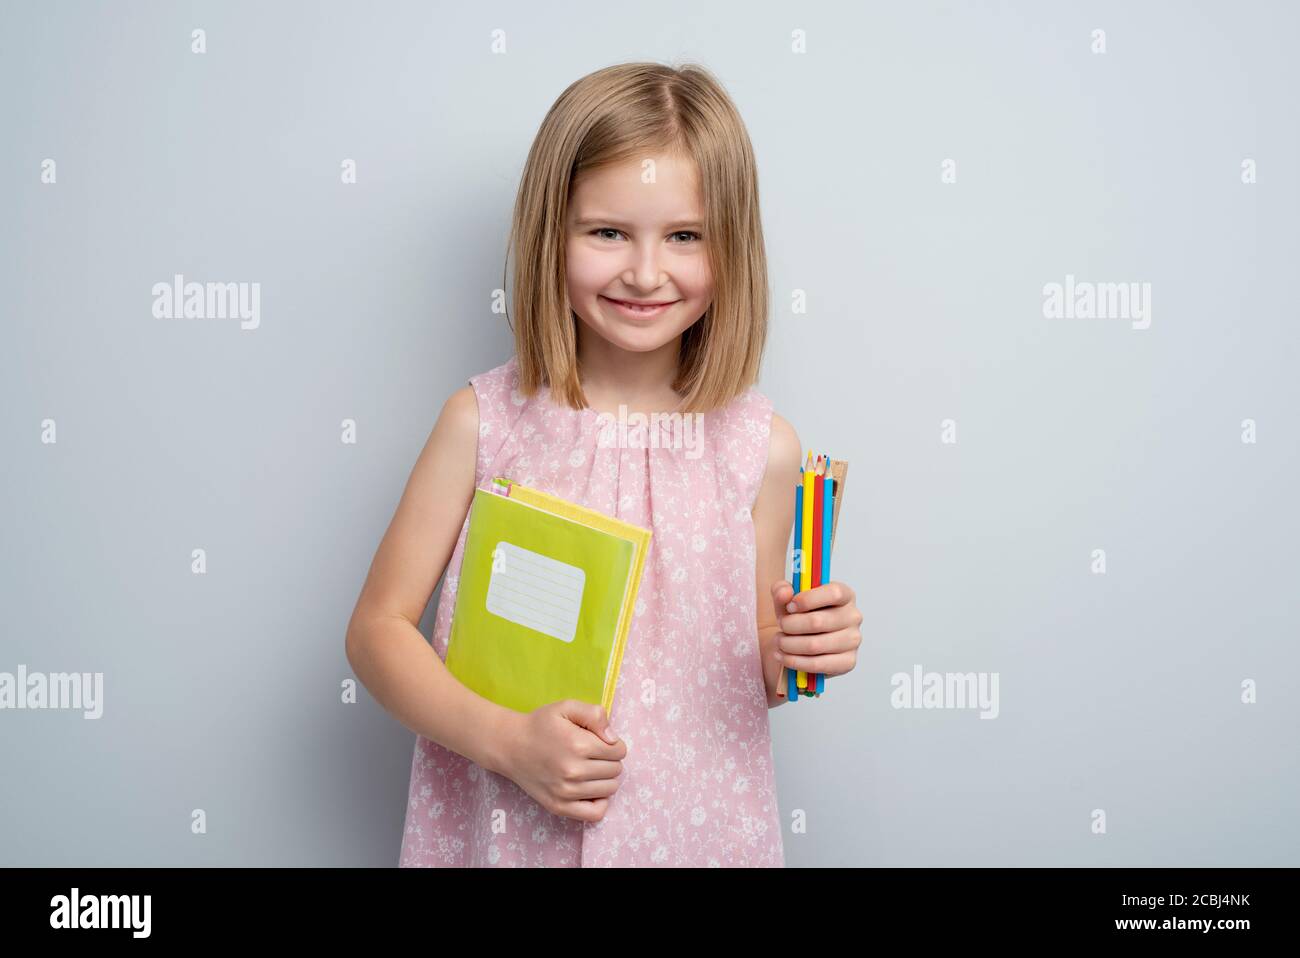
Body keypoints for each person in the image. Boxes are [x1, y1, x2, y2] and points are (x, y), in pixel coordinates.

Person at [346, 61, 863, 867]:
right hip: (514, 839)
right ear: (550, 233)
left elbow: (756, 660)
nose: (645, 272)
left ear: (732, 247)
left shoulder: (761, 448)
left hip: (694, 841)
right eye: (607, 232)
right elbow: (376, 633)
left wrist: (801, 649)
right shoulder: (484, 425)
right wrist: (506, 741)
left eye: (685, 236)